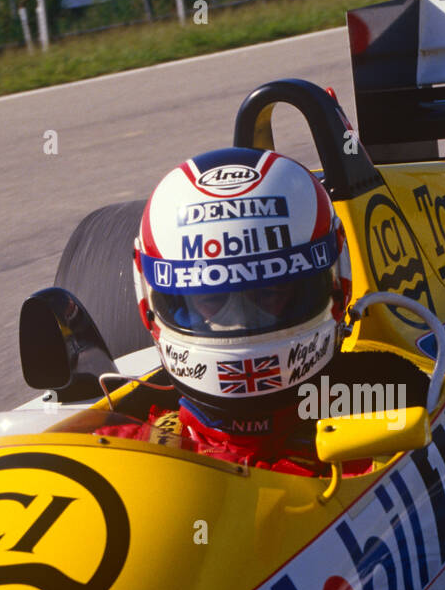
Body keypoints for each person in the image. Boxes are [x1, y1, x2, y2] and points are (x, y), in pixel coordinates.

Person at [96, 147, 426, 476]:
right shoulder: (122, 452)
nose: (238, 320)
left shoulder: (395, 412)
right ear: (153, 303)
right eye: (211, 298)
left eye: (269, 293)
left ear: (336, 287)